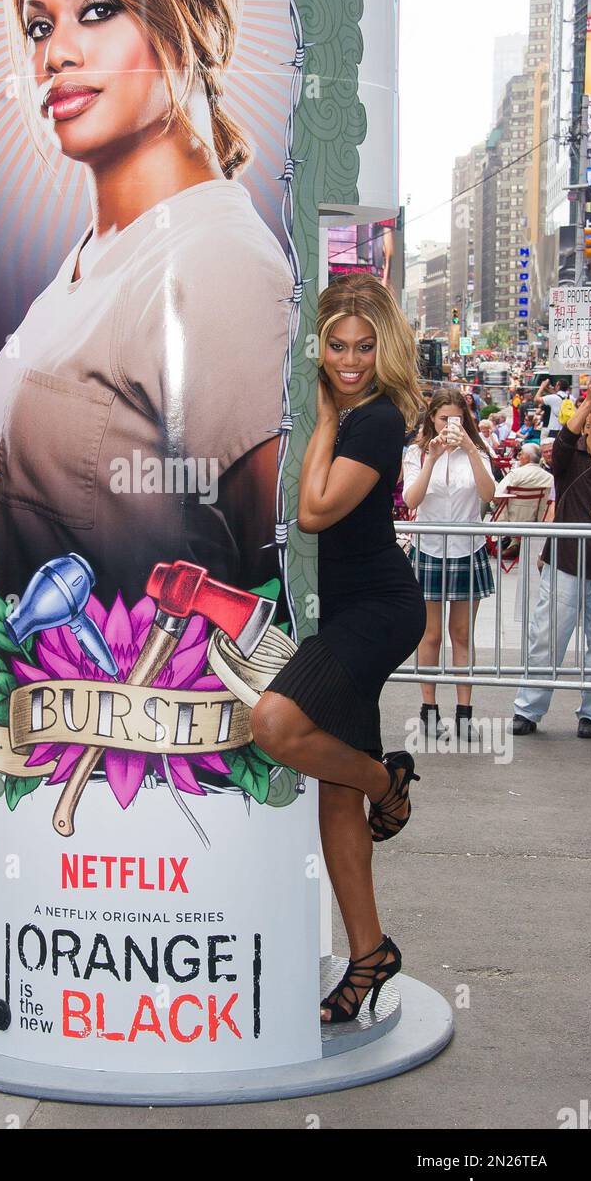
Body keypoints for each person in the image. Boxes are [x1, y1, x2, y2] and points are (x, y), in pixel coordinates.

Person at [0, 0, 292, 611]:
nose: (54, 52)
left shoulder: (215, 265)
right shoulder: (92, 262)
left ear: (189, 24)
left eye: (97, 9)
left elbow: (290, 586)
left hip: (160, 718)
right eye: (39, 24)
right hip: (48, 715)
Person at [249, 275, 425, 1023]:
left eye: (364, 347)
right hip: (347, 610)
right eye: (337, 346)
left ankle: (387, 781)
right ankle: (369, 955)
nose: (350, 360)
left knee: (276, 724)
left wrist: (325, 418)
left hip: (381, 610)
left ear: (383, 349)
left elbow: (316, 512)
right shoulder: (356, 415)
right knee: (333, 796)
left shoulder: (376, 420)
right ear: (318, 346)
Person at [402, 387, 497, 742]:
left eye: (456, 419)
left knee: (461, 635)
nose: (449, 426)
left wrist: (471, 448)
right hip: (428, 549)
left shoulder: (479, 452)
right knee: (430, 634)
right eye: (443, 419)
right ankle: (428, 709)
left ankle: (464, 713)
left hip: (467, 549)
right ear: (432, 419)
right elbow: (412, 498)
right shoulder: (416, 451)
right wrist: (431, 457)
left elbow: (489, 495)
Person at [513, 381, 591, 739]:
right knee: (547, 637)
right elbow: (561, 442)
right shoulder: (569, 456)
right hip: (565, 560)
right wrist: (589, 398)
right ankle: (528, 709)